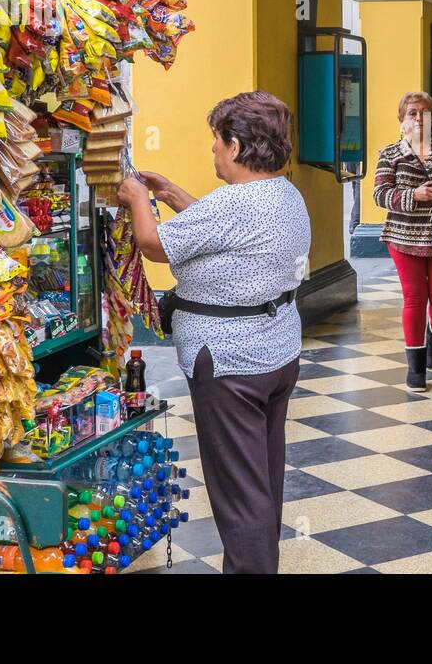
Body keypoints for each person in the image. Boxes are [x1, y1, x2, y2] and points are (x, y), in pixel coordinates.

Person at [117, 91, 309, 574]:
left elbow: (153, 243)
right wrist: (171, 193)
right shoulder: (282, 194)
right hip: (275, 352)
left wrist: (138, 197)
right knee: (261, 481)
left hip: (231, 367)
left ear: (239, 146)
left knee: (239, 494)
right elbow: (221, 229)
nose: (213, 151)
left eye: (217, 142)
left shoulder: (235, 204)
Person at [373, 91, 432, 393]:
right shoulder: (390, 154)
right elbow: (379, 195)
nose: (418, 118)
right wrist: (412, 196)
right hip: (403, 235)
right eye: (412, 113)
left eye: (425, 113)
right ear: (401, 120)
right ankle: (415, 369)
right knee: (414, 298)